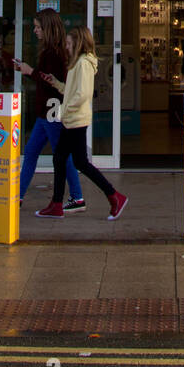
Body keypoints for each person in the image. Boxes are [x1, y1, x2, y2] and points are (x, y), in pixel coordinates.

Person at [36, 26, 128, 221]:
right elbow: (72, 92)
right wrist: (56, 83)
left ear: (78, 44)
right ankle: (59, 203)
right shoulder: (78, 63)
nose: (67, 48)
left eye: (69, 44)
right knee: (66, 159)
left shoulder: (84, 64)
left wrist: (65, 112)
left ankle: (112, 196)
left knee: (72, 161)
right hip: (73, 119)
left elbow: (82, 95)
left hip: (75, 120)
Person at [13, 9, 86, 212]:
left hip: (52, 112)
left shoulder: (54, 52)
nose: (35, 31)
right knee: (31, 152)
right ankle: (17, 196)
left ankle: (77, 197)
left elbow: (53, 81)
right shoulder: (54, 50)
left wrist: (30, 71)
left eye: (38, 27)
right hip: (46, 113)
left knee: (62, 155)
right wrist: (29, 72)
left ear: (48, 28)